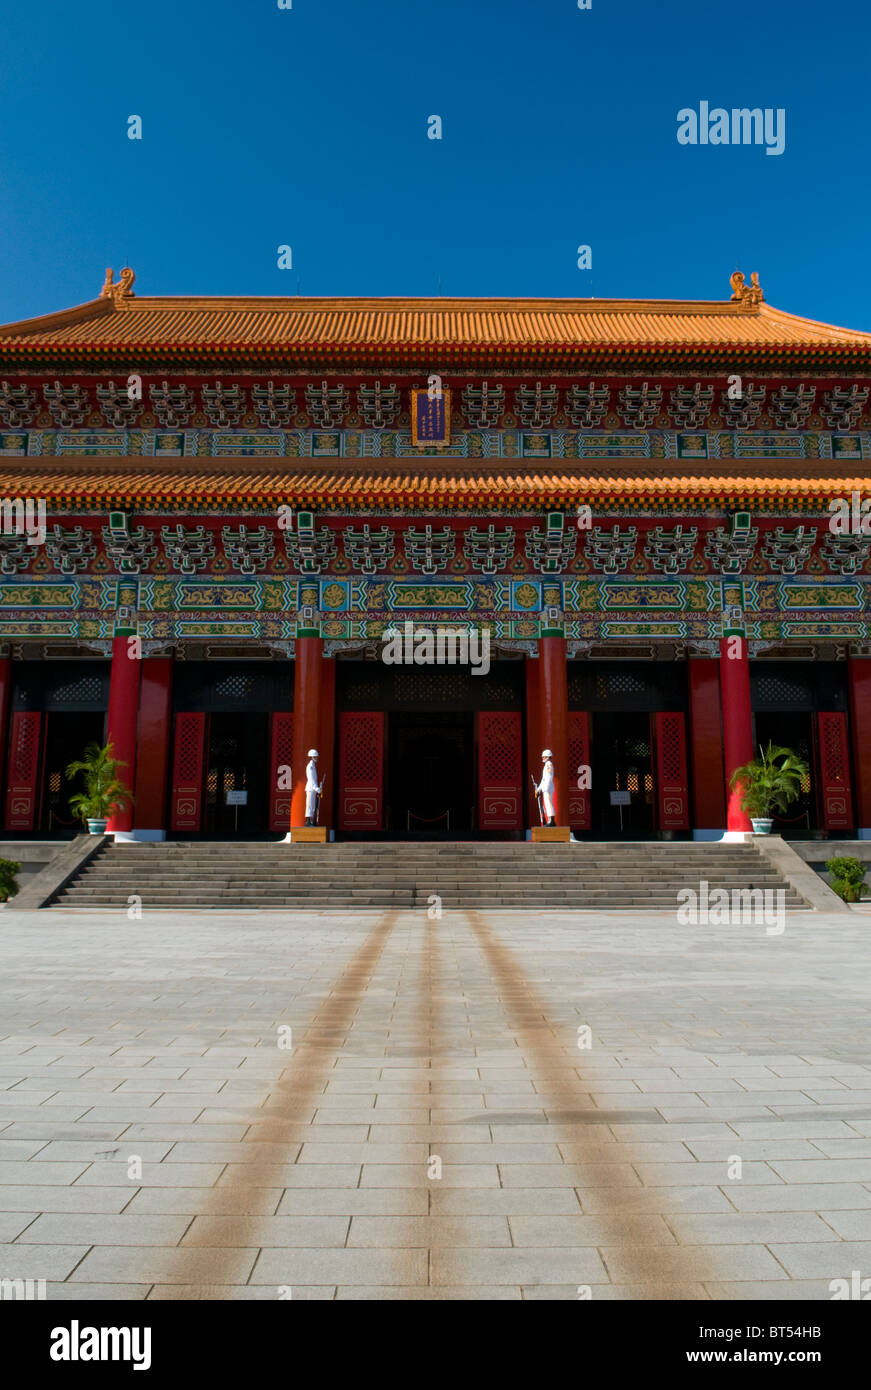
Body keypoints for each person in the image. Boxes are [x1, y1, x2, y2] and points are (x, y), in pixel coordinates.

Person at [536, 749, 556, 826]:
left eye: (544, 756)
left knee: (549, 803)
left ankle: (551, 821)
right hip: (546, 787)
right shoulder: (546, 765)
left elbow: (548, 778)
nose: (542, 758)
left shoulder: (548, 764)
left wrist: (545, 788)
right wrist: (539, 789)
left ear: (548, 757)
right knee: (547, 804)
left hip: (548, 787)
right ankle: (550, 820)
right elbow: (543, 779)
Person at [305, 748, 323, 825]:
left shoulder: (313, 765)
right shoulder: (310, 766)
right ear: (311, 757)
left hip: (313, 788)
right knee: (309, 805)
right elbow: (311, 779)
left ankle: (311, 821)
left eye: (316, 757)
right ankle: (308, 821)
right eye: (315, 757)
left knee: (312, 806)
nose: (316, 758)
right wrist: (316, 788)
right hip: (310, 788)